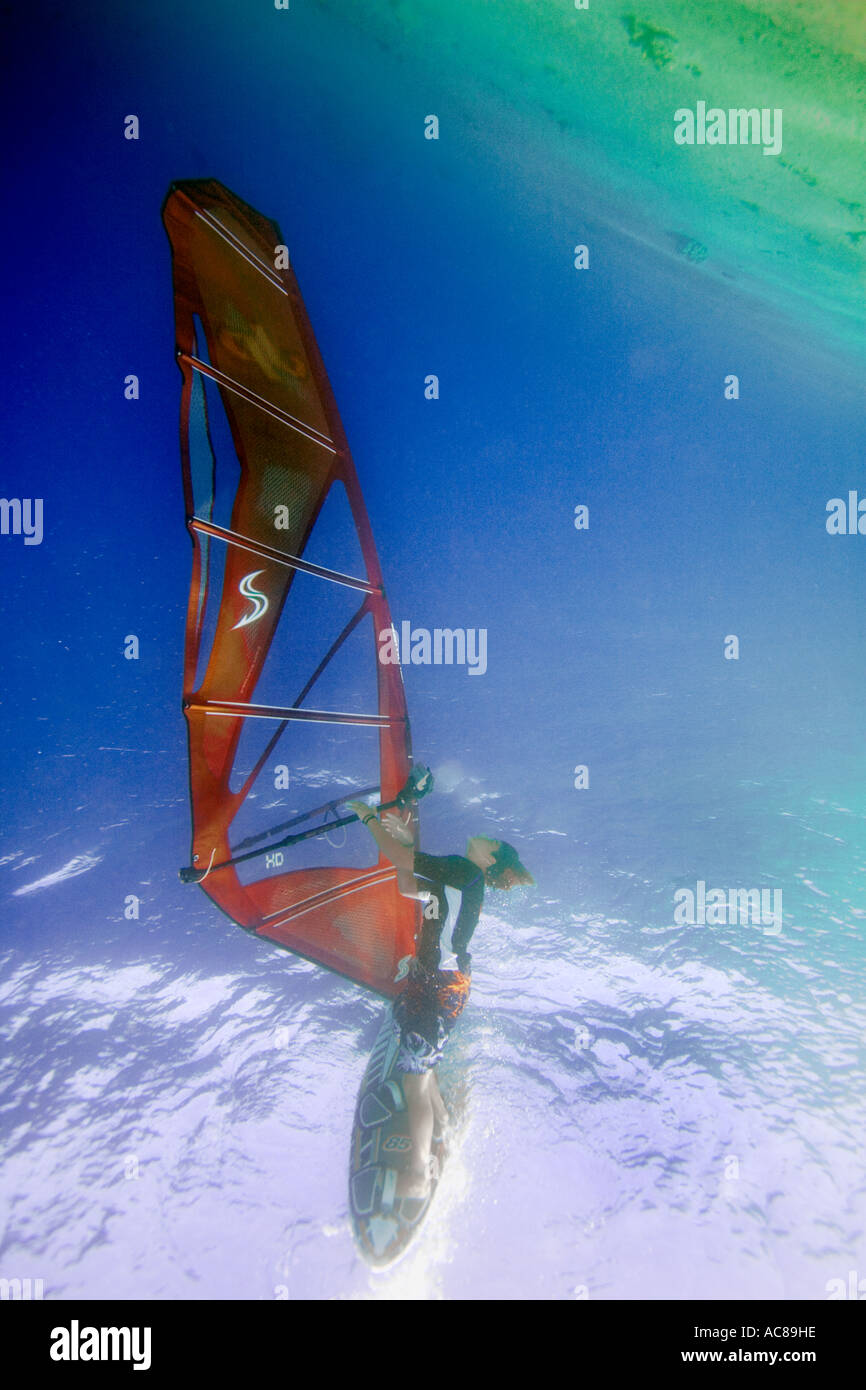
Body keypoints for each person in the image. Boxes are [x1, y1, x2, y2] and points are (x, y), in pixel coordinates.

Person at [347, 800, 533, 1198]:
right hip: (440, 978)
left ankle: (416, 1175)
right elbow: (406, 883)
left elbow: (399, 859)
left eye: (495, 841)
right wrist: (407, 845)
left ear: (491, 856)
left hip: (440, 983)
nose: (488, 836)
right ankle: (444, 1124)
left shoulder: (463, 870)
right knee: (422, 1064)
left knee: (414, 1079)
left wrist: (368, 817)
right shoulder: (457, 880)